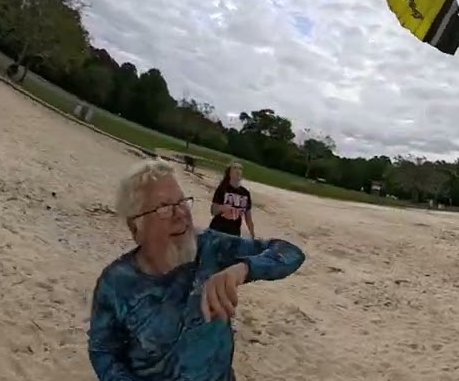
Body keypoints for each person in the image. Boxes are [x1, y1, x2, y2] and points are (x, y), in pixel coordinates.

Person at [87, 158, 306, 381]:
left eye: (182, 201)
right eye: (164, 207)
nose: (180, 213)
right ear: (136, 227)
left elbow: (290, 252)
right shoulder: (116, 283)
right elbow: (103, 351)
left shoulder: (210, 248)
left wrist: (244, 268)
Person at [209, 161, 254, 238]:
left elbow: (248, 218)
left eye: (240, 168)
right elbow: (213, 211)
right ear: (229, 173)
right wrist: (223, 208)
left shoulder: (245, 193)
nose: (238, 170)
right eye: (235, 168)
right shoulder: (222, 189)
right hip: (217, 230)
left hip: (234, 234)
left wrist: (252, 234)